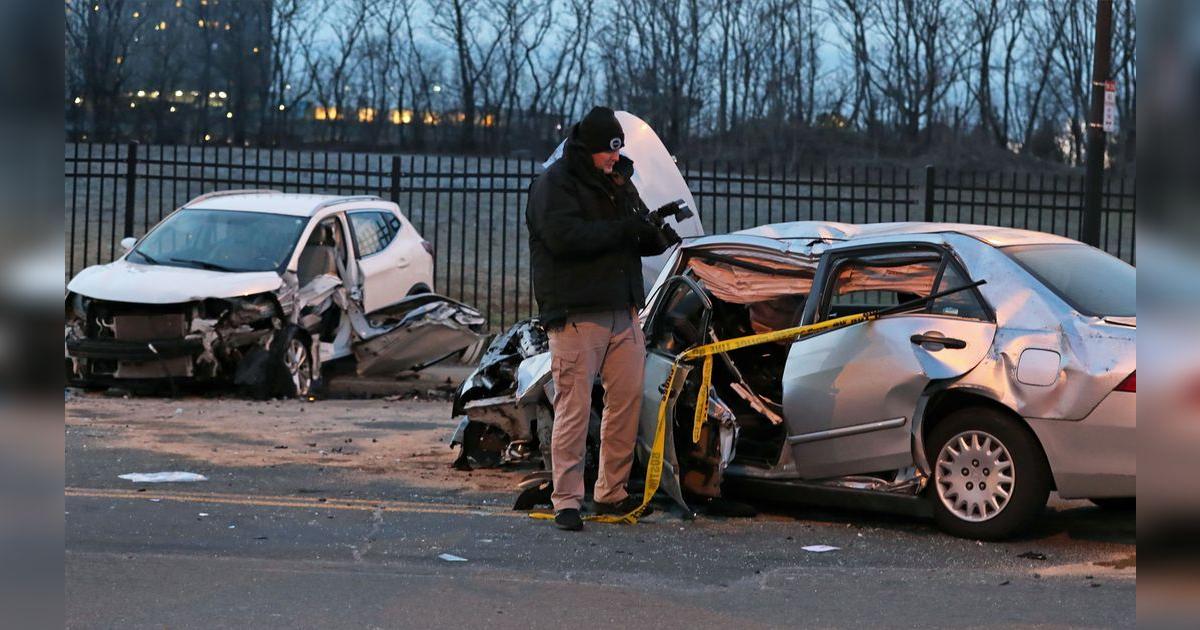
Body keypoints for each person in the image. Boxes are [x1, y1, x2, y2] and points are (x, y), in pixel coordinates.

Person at [526, 106, 676, 531]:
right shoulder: (554, 185)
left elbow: (635, 235)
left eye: (618, 150)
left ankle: (612, 493)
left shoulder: (617, 180)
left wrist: (654, 228)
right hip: (576, 313)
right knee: (573, 407)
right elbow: (564, 239)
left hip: (623, 310)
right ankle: (567, 500)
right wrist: (624, 230)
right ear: (587, 149)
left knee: (625, 403)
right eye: (608, 152)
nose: (615, 157)